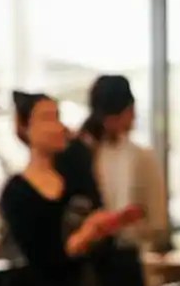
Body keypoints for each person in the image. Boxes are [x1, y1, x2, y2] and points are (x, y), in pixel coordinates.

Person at [0, 92, 121, 286]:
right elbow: (43, 259)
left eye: (58, 117)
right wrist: (84, 235)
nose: (58, 127)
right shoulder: (16, 192)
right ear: (23, 127)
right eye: (47, 118)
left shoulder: (78, 179)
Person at [72, 75, 170, 254]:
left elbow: (158, 221)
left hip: (128, 255)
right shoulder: (80, 153)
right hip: (93, 254)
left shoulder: (140, 156)